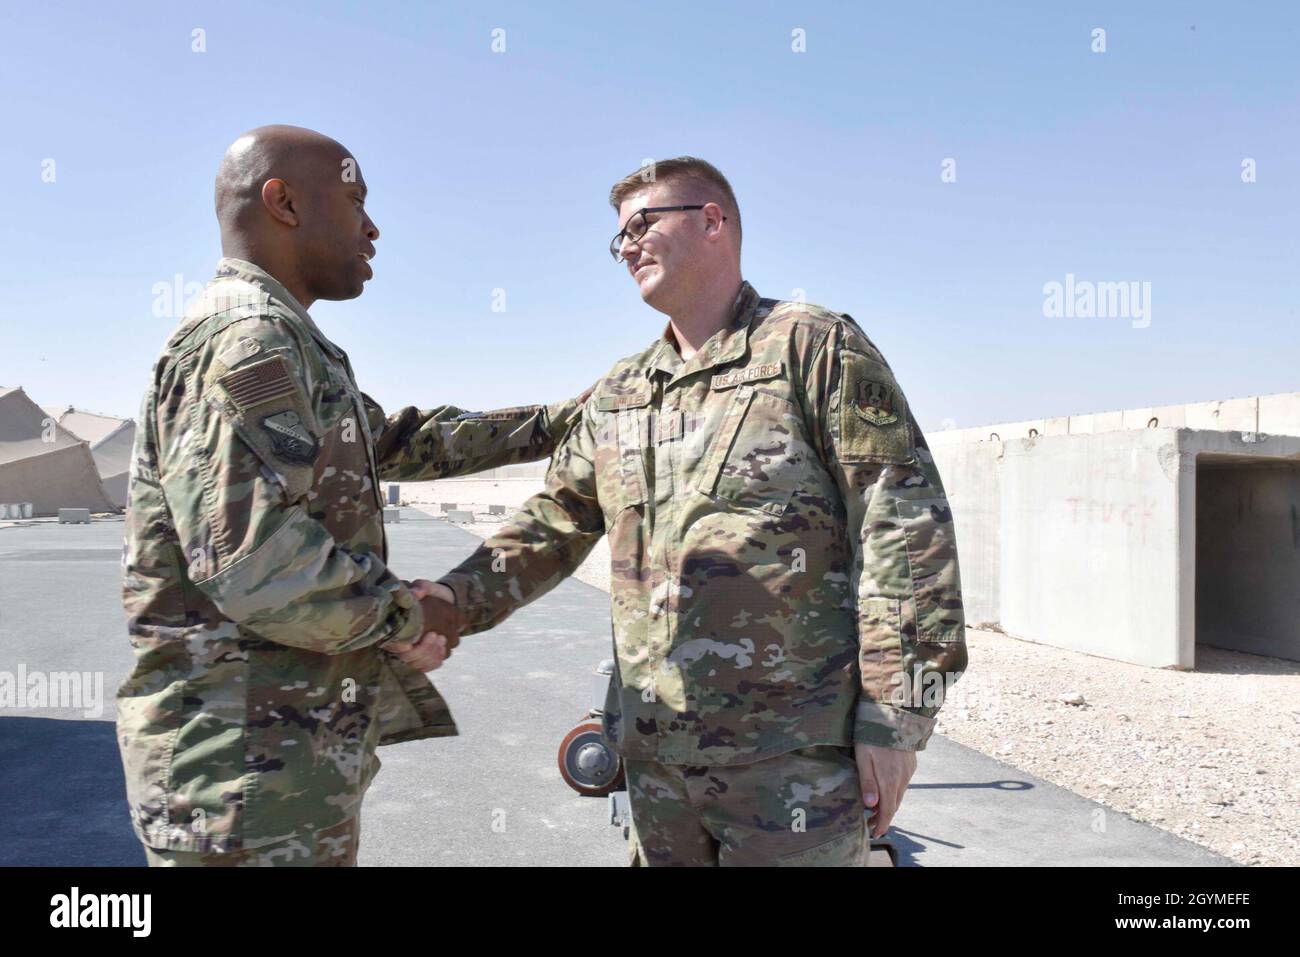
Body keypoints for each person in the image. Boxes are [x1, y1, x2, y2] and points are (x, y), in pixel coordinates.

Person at [414, 157, 969, 866]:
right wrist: (452, 602)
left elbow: (905, 526)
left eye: (644, 223)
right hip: (656, 757)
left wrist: (895, 720)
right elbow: (553, 523)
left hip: (790, 759)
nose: (628, 247)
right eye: (618, 238)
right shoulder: (622, 391)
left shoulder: (811, 348)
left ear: (713, 221)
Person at [117, 125, 586, 866]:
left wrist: (558, 421)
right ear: (284, 203)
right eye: (355, 199)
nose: (373, 226)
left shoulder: (287, 342)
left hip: (279, 767)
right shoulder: (248, 341)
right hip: (245, 782)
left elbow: (394, 441)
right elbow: (258, 563)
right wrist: (412, 612)